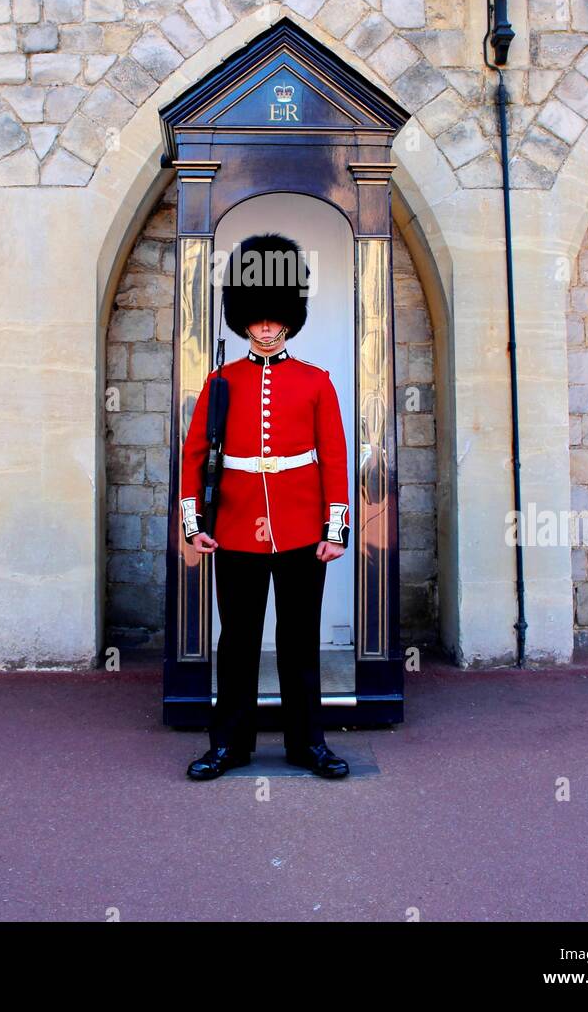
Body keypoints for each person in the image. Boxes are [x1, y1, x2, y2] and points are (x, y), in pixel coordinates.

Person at [179, 232, 352, 781]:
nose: (266, 326)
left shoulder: (316, 382)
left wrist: (337, 528)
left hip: (302, 530)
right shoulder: (221, 382)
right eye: (257, 319)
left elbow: (334, 460)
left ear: (288, 318)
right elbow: (194, 455)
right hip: (233, 530)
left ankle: (308, 744)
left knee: (300, 643)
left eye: (275, 318)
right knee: (238, 644)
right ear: (245, 320)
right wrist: (192, 525)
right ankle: (230, 744)